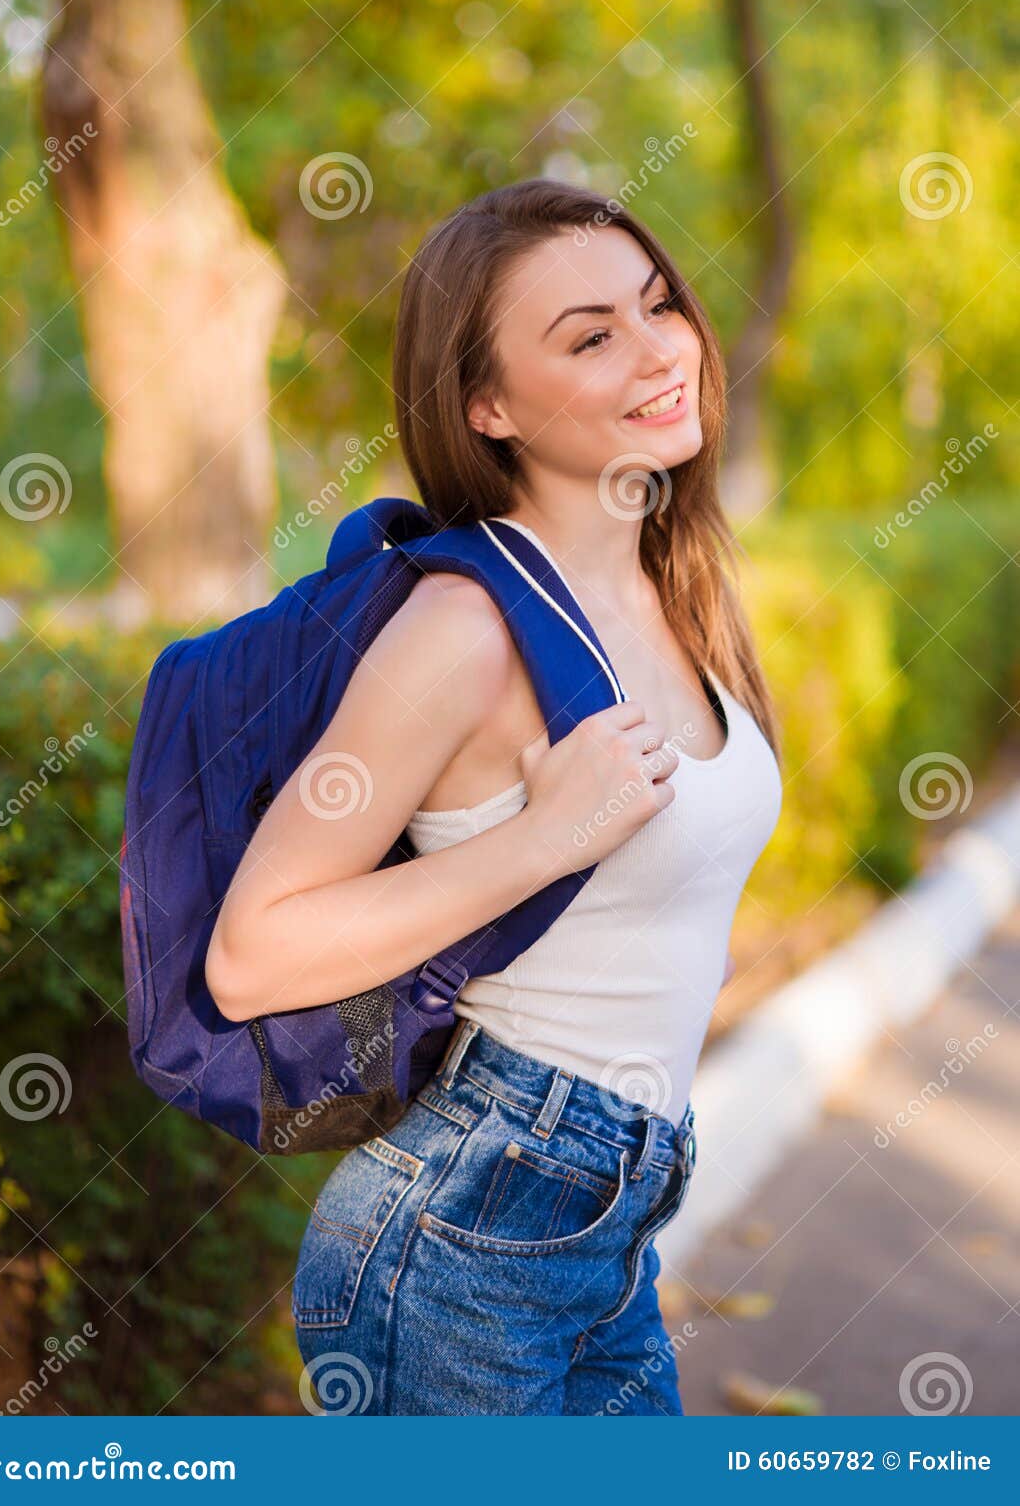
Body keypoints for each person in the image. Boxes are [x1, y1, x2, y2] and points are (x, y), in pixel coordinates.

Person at [205, 179, 784, 1415]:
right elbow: (252, 956)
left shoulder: (674, 586)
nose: (659, 350)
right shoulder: (462, 626)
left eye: (657, 304)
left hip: (602, 1225)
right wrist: (541, 838)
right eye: (590, 336)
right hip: (462, 1236)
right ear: (488, 405)